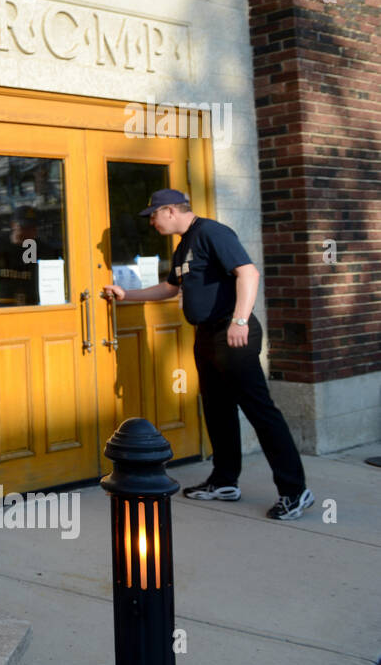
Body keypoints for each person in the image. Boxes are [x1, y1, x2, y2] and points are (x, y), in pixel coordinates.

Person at [101, 189, 314, 521]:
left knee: (260, 412)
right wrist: (127, 294)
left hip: (232, 332)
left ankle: (295, 491)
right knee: (217, 410)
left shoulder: (212, 232)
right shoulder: (184, 244)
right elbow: (171, 288)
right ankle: (224, 481)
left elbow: (248, 273)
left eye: (154, 215)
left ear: (171, 210)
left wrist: (239, 320)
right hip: (207, 335)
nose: (152, 222)